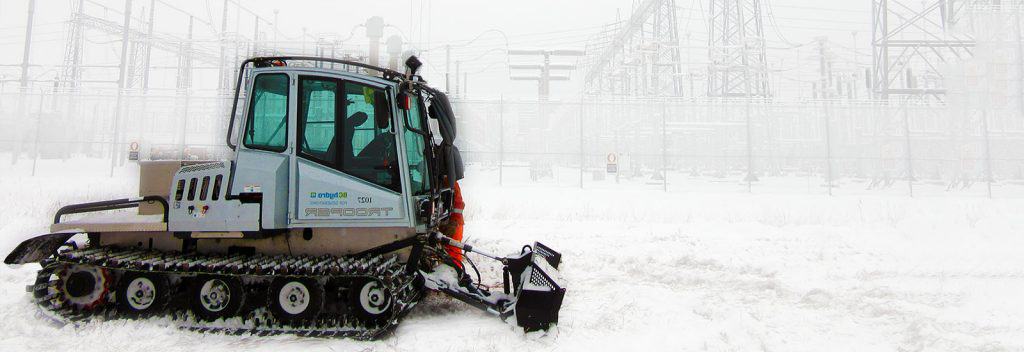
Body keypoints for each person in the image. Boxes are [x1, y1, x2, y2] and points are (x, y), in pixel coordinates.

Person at [442, 182, 465, 267]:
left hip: (454, 225)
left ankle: (456, 272)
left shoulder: (449, 180)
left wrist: (454, 222)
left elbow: (458, 204)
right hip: (441, 225)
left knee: (453, 253)